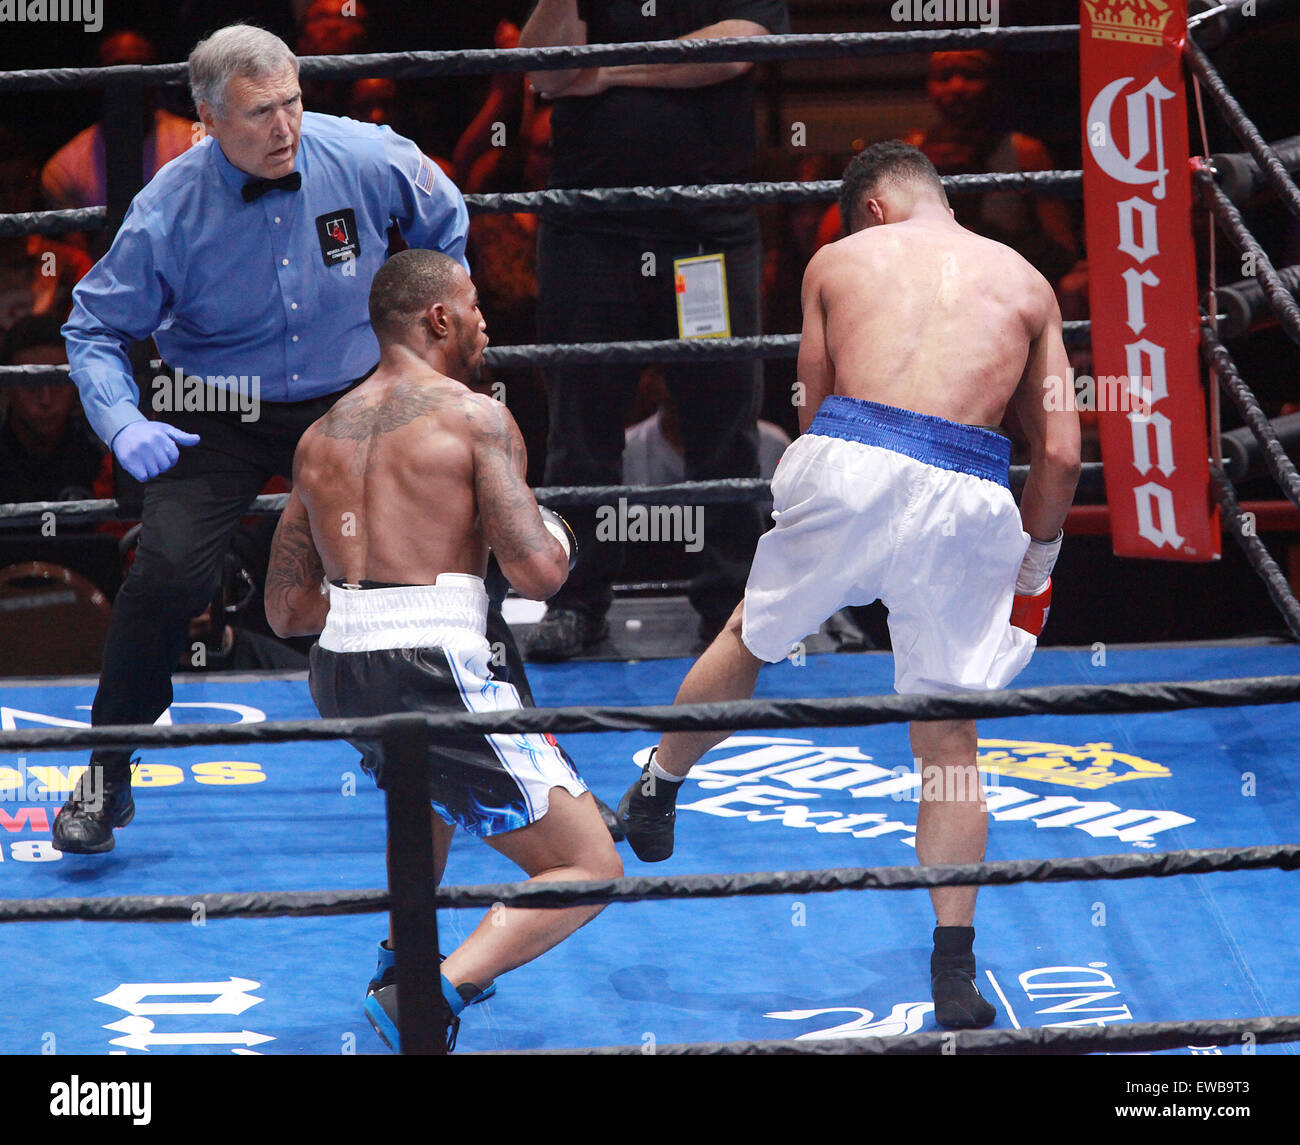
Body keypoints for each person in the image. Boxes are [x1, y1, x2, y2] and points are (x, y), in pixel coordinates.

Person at [617, 141, 1082, 1029]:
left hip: (849, 454)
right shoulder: (1026, 280)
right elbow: (1059, 450)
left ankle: (662, 783)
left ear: (869, 207)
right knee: (949, 744)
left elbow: (811, 403)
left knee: (750, 632)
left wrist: (833, 509)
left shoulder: (838, 259)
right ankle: (954, 970)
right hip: (970, 491)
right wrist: (1038, 560)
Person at [52, 23, 471, 854]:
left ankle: (505, 764)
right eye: (258, 114)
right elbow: (93, 325)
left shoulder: (366, 155)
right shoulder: (167, 207)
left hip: (354, 390)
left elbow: (444, 221)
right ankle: (104, 776)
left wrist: (427, 349)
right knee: (167, 573)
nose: (284, 129)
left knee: (432, 558)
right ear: (206, 118)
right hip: (217, 405)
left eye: (293, 103)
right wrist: (123, 419)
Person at [265, 249, 622, 1052]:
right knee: (588, 864)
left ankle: (402, 959)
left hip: (339, 666)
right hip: (434, 660)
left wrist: (371, 601)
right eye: (474, 304)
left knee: (420, 783)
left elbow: (287, 607)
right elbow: (538, 571)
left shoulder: (320, 436)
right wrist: (555, 532)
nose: (486, 319)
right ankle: (428, 994)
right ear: (439, 319)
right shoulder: (474, 417)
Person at [519, 0, 791, 660]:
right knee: (579, 428)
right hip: (590, 227)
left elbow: (732, 50)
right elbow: (544, 74)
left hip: (703, 231)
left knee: (722, 424)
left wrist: (608, 70)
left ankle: (729, 605)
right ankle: (577, 603)